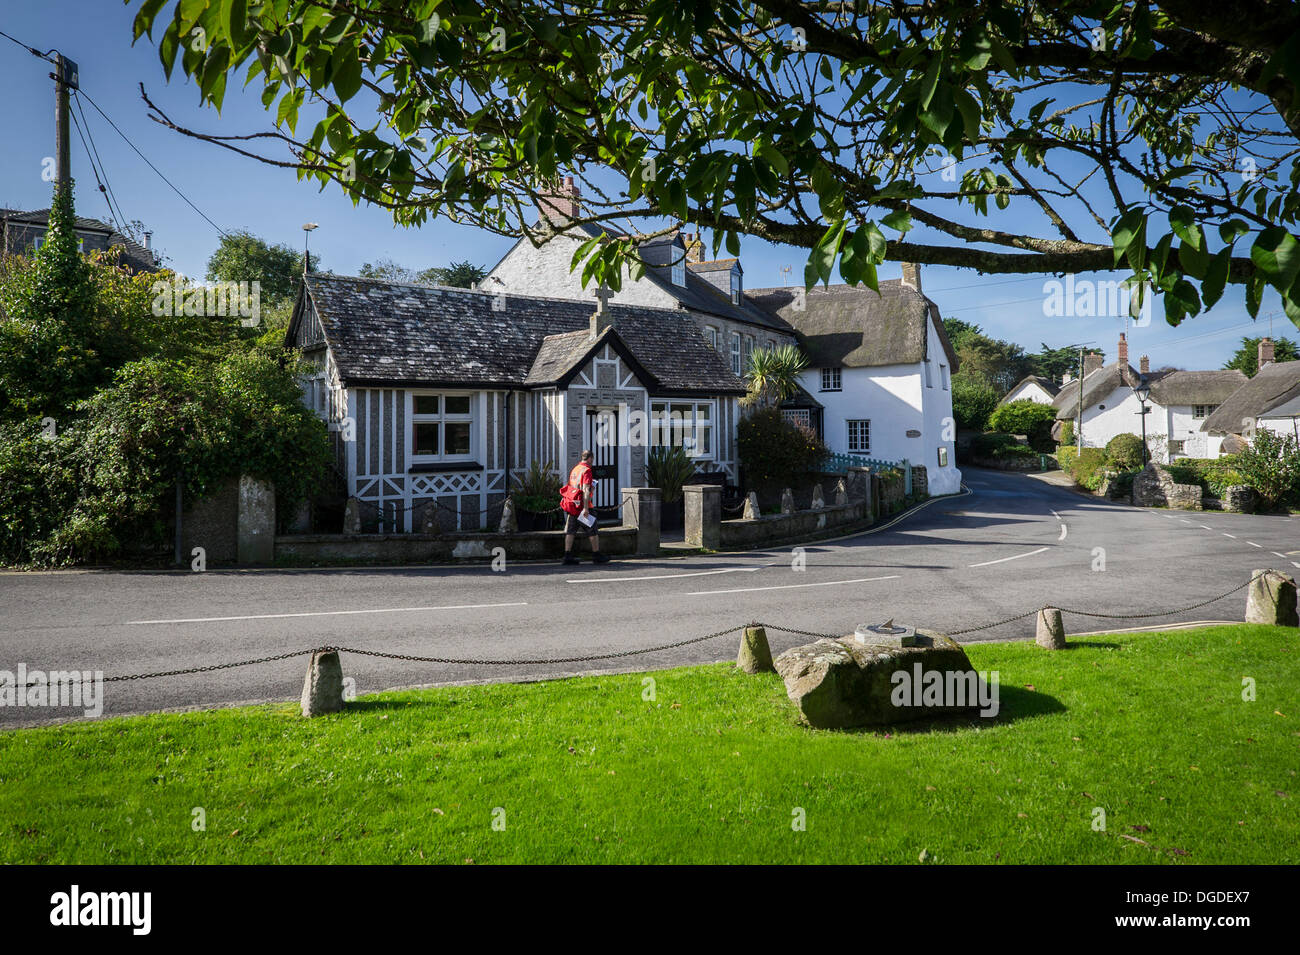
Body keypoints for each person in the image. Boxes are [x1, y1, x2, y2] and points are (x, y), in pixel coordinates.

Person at [560, 450, 609, 565]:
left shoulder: (575, 469)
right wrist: (586, 508)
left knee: (570, 531)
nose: (593, 462)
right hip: (583, 506)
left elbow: (572, 486)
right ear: (590, 458)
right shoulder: (587, 470)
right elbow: (586, 490)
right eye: (593, 459)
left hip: (573, 506)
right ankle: (596, 555)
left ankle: (567, 555)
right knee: (592, 530)